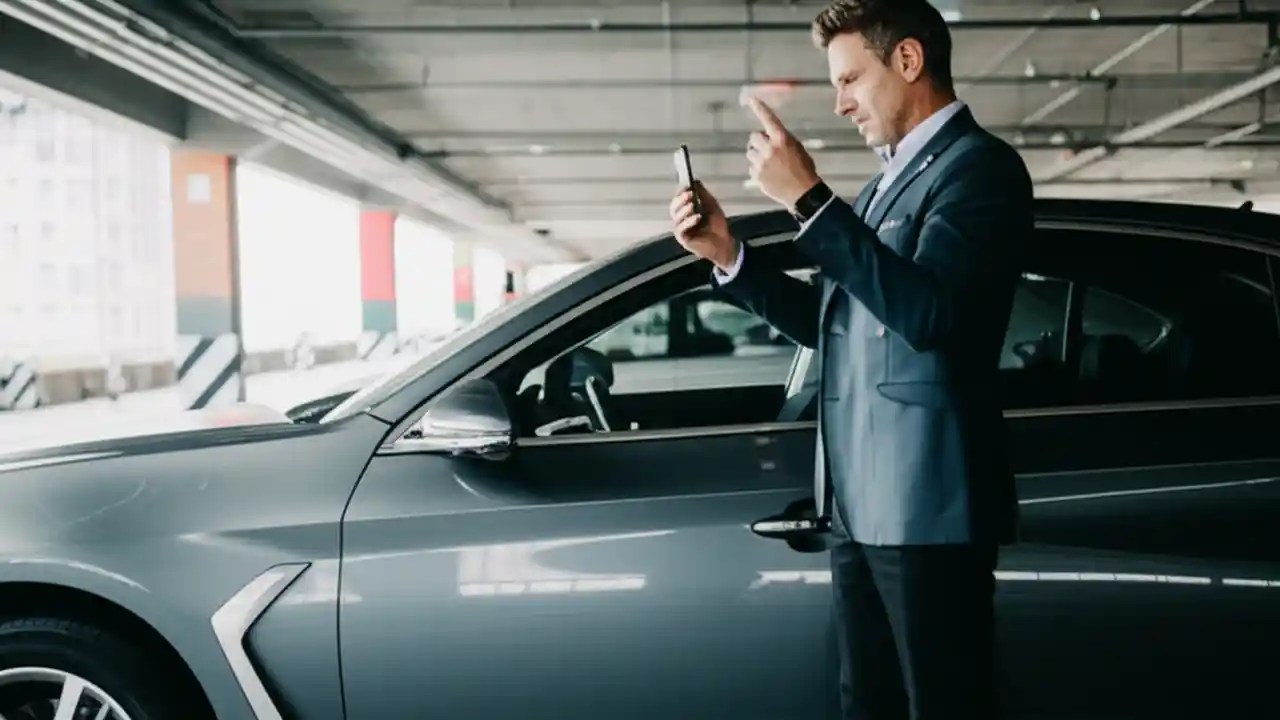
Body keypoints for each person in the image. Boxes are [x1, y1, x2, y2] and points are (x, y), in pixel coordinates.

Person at [667, 1, 1032, 717]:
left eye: (850, 80)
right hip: (859, 507)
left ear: (908, 60)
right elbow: (831, 319)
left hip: (931, 510)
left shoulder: (979, 170)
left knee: (944, 703)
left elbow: (934, 318)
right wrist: (728, 255)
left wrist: (807, 199)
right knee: (868, 705)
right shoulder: (881, 187)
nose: (840, 105)